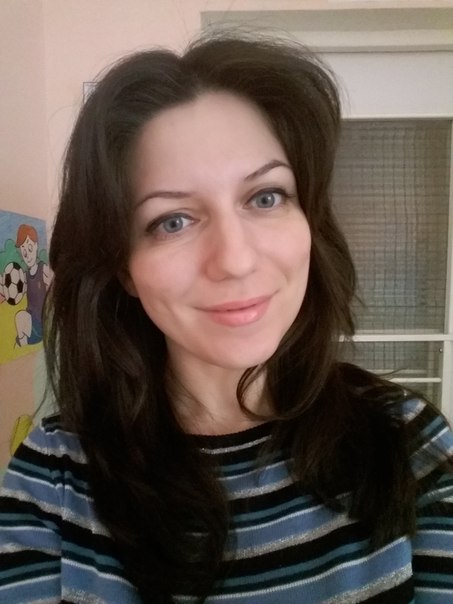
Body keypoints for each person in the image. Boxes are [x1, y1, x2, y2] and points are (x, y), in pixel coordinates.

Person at [1, 32, 453, 604]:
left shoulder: (409, 443)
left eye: (266, 197)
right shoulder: (53, 479)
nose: (236, 260)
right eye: (172, 221)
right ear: (123, 267)